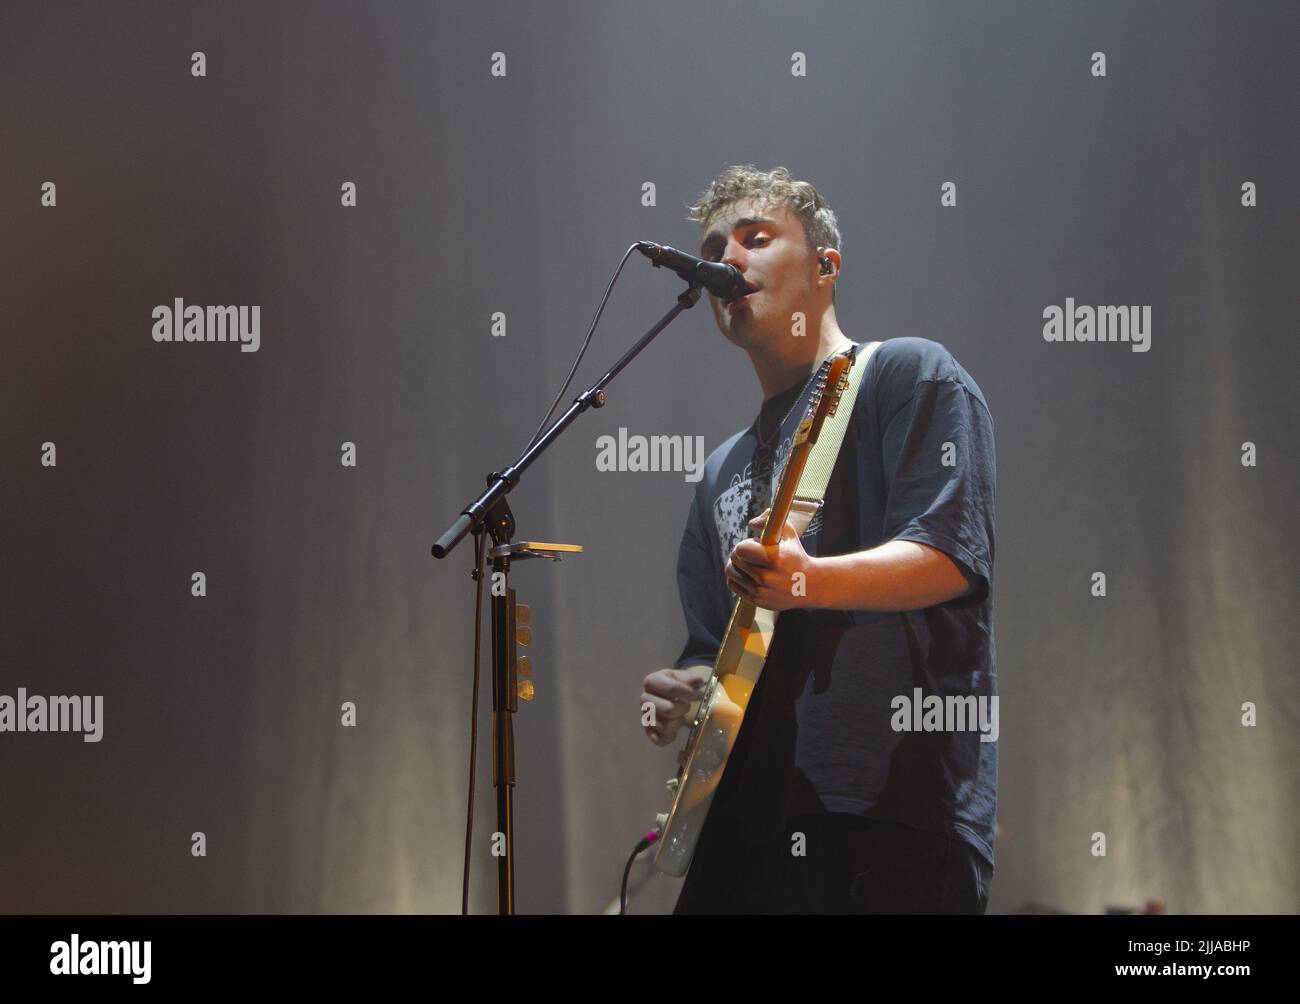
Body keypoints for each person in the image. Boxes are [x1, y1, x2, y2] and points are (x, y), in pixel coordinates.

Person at [639, 165, 998, 914]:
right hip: (739, 827)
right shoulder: (718, 471)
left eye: (755, 238)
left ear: (825, 267)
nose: (726, 260)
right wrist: (688, 690)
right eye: (713, 246)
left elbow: (946, 557)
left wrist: (809, 580)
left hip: (880, 808)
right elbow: (714, 648)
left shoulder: (908, 374)